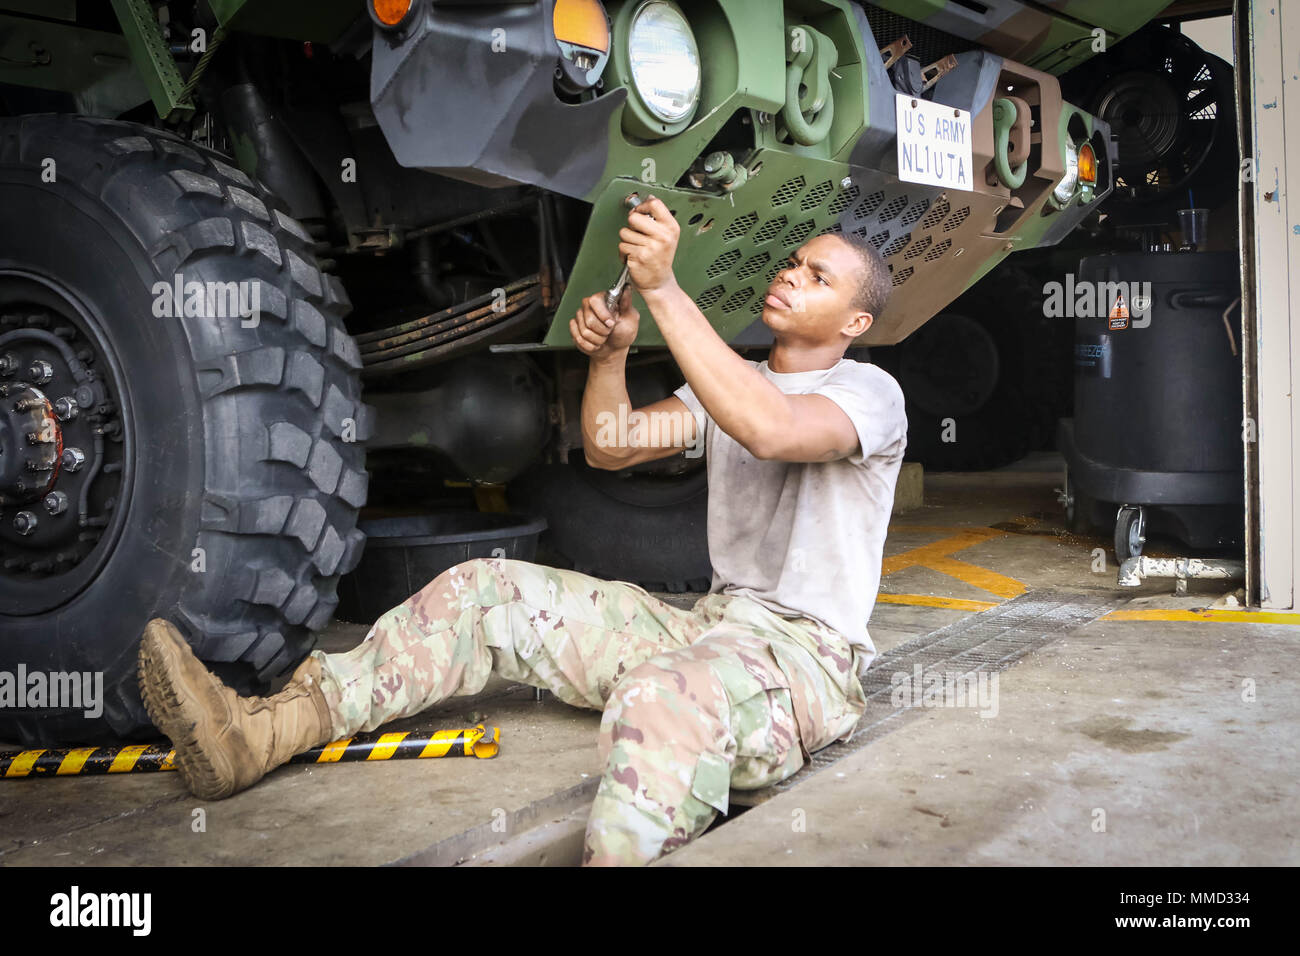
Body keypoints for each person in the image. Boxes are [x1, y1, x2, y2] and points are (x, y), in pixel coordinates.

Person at [137, 195, 907, 866]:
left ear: (856, 320)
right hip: (711, 628)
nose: (790, 275)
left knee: (660, 701)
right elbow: (610, 443)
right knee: (484, 591)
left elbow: (772, 428)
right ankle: (260, 733)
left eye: (818, 277)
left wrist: (664, 288)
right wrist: (609, 356)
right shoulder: (733, 384)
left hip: (800, 661)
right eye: (795, 263)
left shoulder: (869, 394)